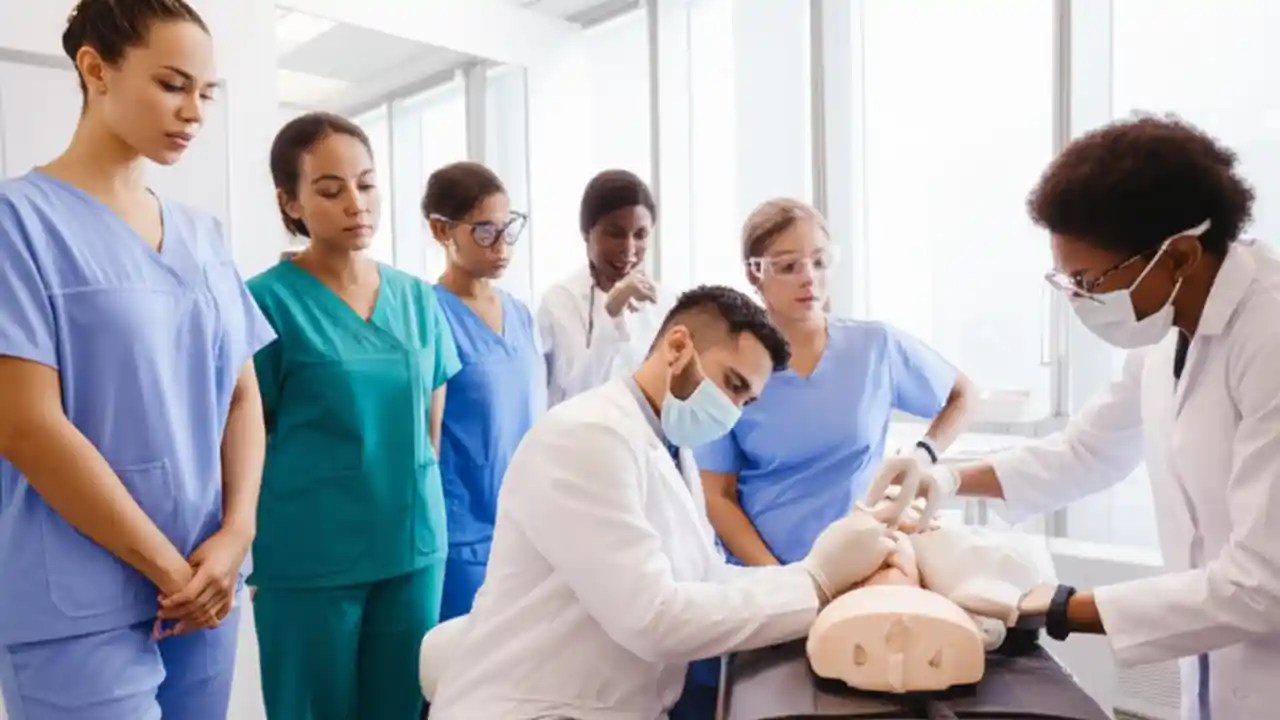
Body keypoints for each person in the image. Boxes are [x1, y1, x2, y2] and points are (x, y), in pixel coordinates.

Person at [878, 114, 1280, 719]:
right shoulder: (1168, 332)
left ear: (1179, 255)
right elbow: (1086, 451)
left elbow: (1262, 584)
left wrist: (1057, 606)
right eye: (1068, 282)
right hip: (1219, 675)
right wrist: (946, 477)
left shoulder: (1269, 336)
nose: (1082, 299)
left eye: (1090, 280)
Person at [429, 286, 903, 719]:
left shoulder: (669, 446)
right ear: (678, 348)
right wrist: (815, 583)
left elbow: (707, 578)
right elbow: (653, 619)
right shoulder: (587, 437)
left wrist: (825, 575)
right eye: (733, 384)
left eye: (746, 402)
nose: (733, 411)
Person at [0, 1, 274, 717]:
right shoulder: (16, 224)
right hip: (77, 602)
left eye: (206, 93)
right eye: (172, 84)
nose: (193, 112)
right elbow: (26, 425)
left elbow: (242, 396)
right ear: (96, 69)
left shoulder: (204, 236)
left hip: (205, 586)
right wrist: (166, 568)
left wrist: (237, 533)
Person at [248, 112, 461, 720]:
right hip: (309, 558)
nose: (356, 203)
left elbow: (429, 432)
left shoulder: (417, 299)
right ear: (290, 202)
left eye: (366, 184)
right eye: (329, 189)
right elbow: (246, 439)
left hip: (411, 548)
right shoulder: (264, 303)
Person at [697, 198, 975, 567]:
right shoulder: (731, 369)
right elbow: (717, 496)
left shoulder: (874, 347)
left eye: (819, 262)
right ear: (754, 273)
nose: (808, 277)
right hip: (766, 573)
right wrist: (783, 580)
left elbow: (962, 395)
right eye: (788, 266)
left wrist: (923, 455)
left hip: (862, 561)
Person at [423, 161, 545, 621]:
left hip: (527, 531)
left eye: (507, 228)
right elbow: (426, 438)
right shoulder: (430, 314)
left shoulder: (520, 314)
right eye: (484, 231)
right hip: (461, 539)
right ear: (442, 231)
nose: (501, 245)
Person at [538, 169, 672, 406]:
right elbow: (575, 396)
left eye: (640, 235)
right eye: (615, 234)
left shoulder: (663, 302)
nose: (629, 249)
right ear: (586, 232)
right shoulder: (559, 302)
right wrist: (611, 312)